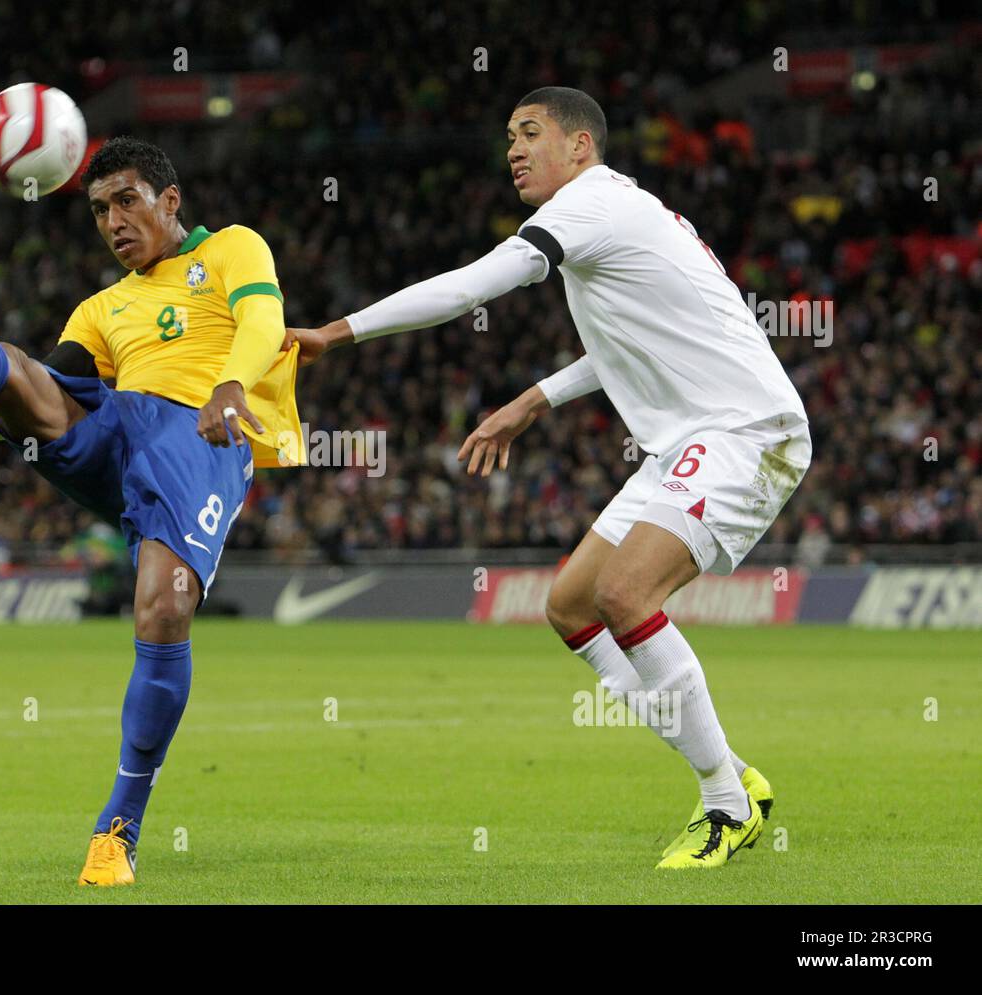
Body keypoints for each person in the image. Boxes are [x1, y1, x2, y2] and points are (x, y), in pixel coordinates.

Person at [293, 87, 811, 869]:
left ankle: (724, 803)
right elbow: (632, 342)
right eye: (508, 135)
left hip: (745, 429)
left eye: (530, 132)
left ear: (580, 147)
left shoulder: (589, 206)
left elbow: (471, 285)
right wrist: (532, 400)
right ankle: (734, 773)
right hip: (688, 439)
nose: (513, 149)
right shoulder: (622, 217)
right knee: (571, 606)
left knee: (625, 595)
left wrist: (337, 331)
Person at [0, 136, 304, 885]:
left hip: (199, 431)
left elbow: (265, 325)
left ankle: (117, 829)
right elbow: (44, 397)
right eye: (100, 209)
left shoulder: (234, 249)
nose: (112, 221)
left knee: (161, 611)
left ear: (170, 201)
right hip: (116, 428)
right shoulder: (102, 308)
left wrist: (231, 385)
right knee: (17, 371)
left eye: (126, 201)